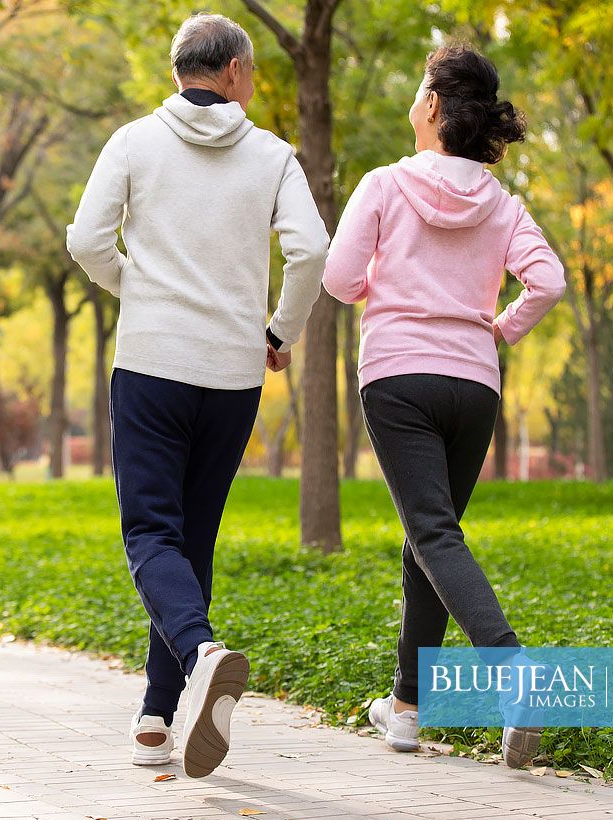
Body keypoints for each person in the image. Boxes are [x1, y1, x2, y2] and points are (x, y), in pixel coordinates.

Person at [66, 13, 327, 779]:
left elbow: (86, 241)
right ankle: (156, 716)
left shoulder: (132, 141)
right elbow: (310, 251)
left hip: (151, 363)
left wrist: (139, 290)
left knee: (151, 532)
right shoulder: (274, 156)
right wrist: (278, 331)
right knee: (191, 539)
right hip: (232, 373)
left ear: (178, 70)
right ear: (236, 70)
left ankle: (201, 651)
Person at [322, 44, 565, 769]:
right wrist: (499, 328)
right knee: (428, 536)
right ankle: (406, 708)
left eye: (417, 89)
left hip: (399, 376)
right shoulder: (502, 203)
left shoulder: (383, 184)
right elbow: (547, 281)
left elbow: (339, 280)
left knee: (430, 533)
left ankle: (514, 672)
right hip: (473, 386)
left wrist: (385, 285)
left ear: (430, 105)